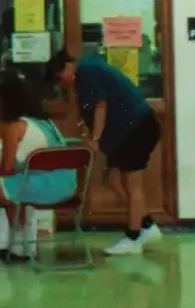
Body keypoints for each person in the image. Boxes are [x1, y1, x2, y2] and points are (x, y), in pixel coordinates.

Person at [47, 49, 164, 255]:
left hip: (136, 128)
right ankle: (146, 225)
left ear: (67, 66)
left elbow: (101, 106)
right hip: (129, 130)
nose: (61, 83)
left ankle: (133, 237)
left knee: (132, 185)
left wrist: (95, 139)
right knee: (113, 180)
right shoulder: (87, 69)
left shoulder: (86, 72)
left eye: (60, 77)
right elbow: (94, 108)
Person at [0, 73, 73, 267]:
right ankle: (20, 247)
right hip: (66, 188)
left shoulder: (16, 127)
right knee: (10, 188)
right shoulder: (49, 124)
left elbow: (7, 169)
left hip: (38, 189)